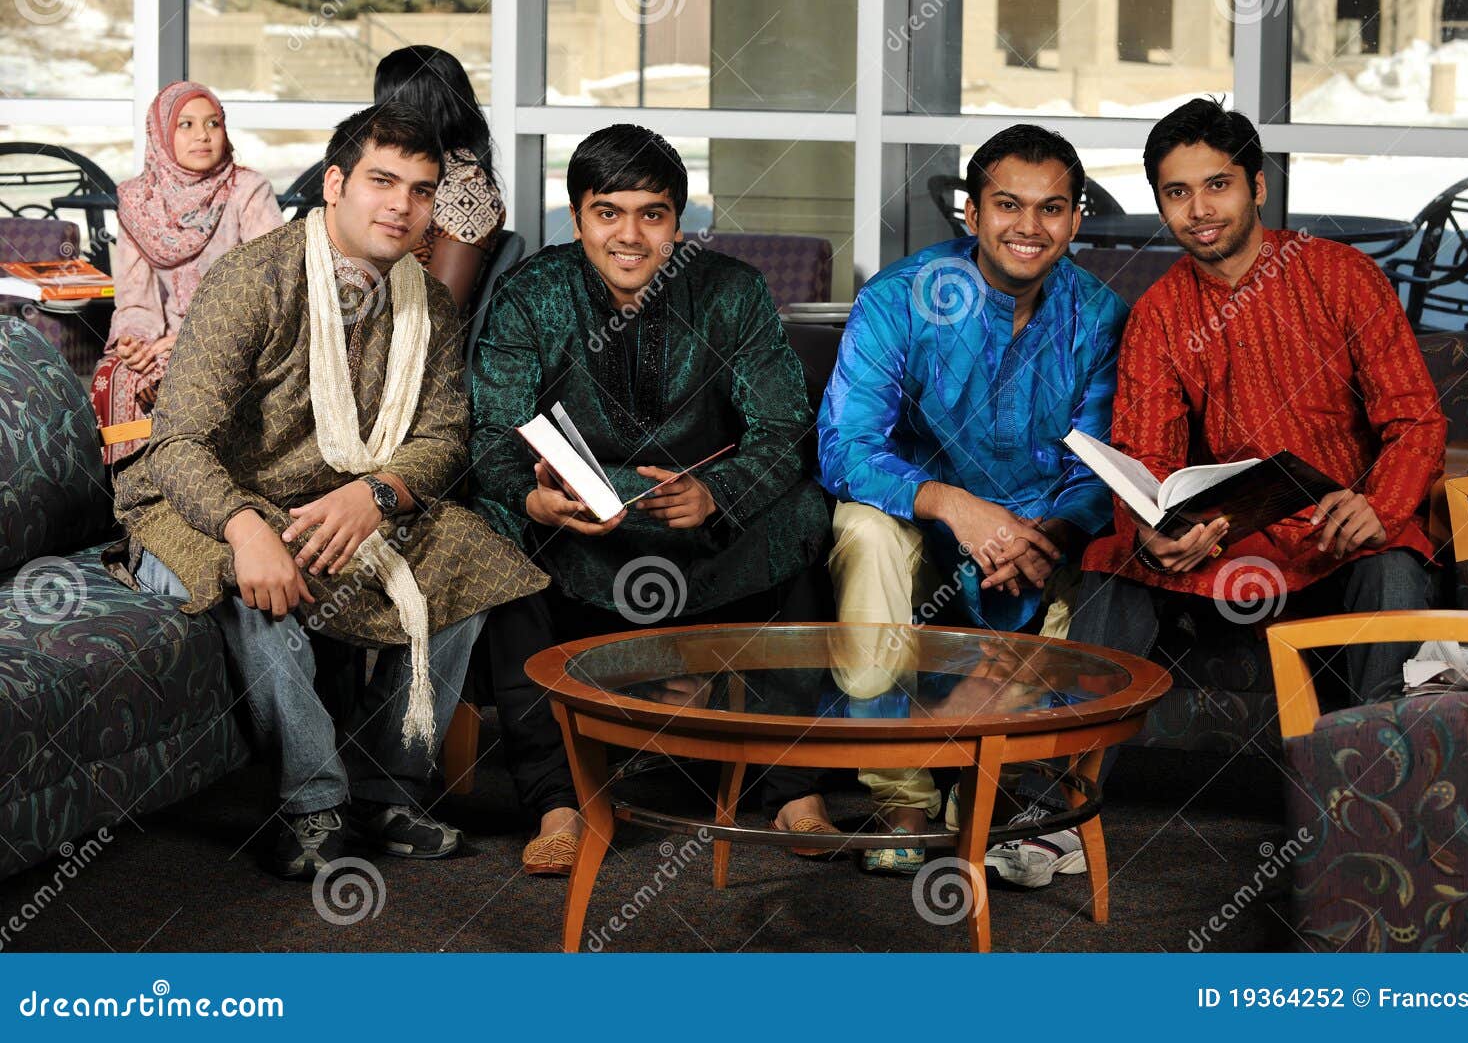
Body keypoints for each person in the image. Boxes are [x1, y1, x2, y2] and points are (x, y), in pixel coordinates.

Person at [111, 103, 547, 881]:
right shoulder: (253, 280)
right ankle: (313, 805)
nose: (401, 205)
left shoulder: (426, 302)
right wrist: (244, 525)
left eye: (420, 190)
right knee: (260, 579)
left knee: (472, 552)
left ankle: (389, 788)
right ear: (336, 184)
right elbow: (177, 443)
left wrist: (377, 492)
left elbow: (443, 435)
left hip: (342, 503)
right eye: (382, 181)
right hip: (205, 501)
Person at [470, 124, 835, 876]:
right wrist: (533, 501)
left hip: (701, 536)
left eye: (652, 214)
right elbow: (492, 434)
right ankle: (557, 803)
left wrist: (717, 493)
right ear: (577, 217)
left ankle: (794, 788)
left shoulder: (732, 289)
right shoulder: (531, 293)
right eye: (608, 213)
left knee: (803, 512)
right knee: (495, 526)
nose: (630, 236)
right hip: (578, 538)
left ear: (678, 221)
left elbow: (786, 427)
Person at [816, 123, 1127, 879]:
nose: (1029, 226)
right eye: (1008, 204)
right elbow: (844, 446)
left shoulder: (1099, 316)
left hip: (1038, 538)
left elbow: (1098, 461)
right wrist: (953, 505)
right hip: (920, 526)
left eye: (1051, 208)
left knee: (1094, 553)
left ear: (1075, 219)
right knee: (864, 534)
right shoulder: (901, 299)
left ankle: (999, 792)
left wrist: (1049, 533)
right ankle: (901, 800)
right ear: (973, 212)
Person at [1069, 98, 1444, 716]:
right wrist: (1153, 531)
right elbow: (1145, 456)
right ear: (1161, 206)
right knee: (1114, 565)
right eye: (1178, 193)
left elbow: (1416, 418)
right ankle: (1065, 773)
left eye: (1218, 185)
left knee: (1393, 568)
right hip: (1227, 545)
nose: (1200, 210)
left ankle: (1378, 767)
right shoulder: (1158, 316)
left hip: (1341, 535)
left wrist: (1379, 506)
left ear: (1258, 186)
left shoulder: (1343, 277)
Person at [92, 80, 283, 465]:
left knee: (186, 379)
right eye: (186, 125)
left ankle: (194, 480)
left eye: (213, 123)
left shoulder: (247, 190)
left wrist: (189, 339)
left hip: (236, 334)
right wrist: (134, 342)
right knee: (118, 376)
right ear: (161, 134)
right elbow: (135, 298)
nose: (203, 136)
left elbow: (273, 287)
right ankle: (135, 487)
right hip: (161, 339)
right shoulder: (138, 201)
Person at [373, 45, 504, 312]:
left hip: (410, 332)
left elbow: (439, 312)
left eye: (384, 104)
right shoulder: (414, 171)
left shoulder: (465, 186)